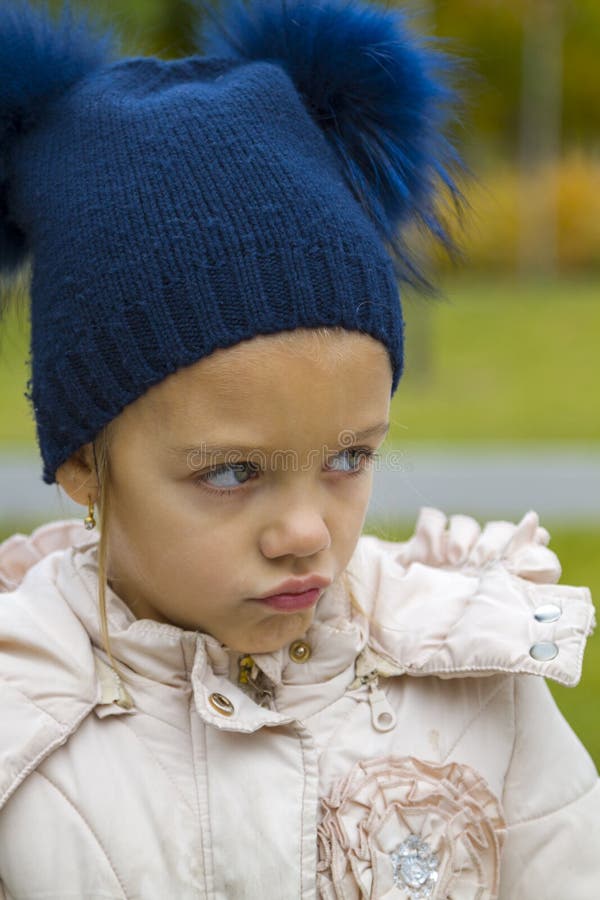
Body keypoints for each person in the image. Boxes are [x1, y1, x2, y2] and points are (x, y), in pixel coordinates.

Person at [0, 0, 598, 897]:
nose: (306, 533)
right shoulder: (22, 730)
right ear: (85, 460)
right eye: (232, 472)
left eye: (350, 459)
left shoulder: (477, 687)